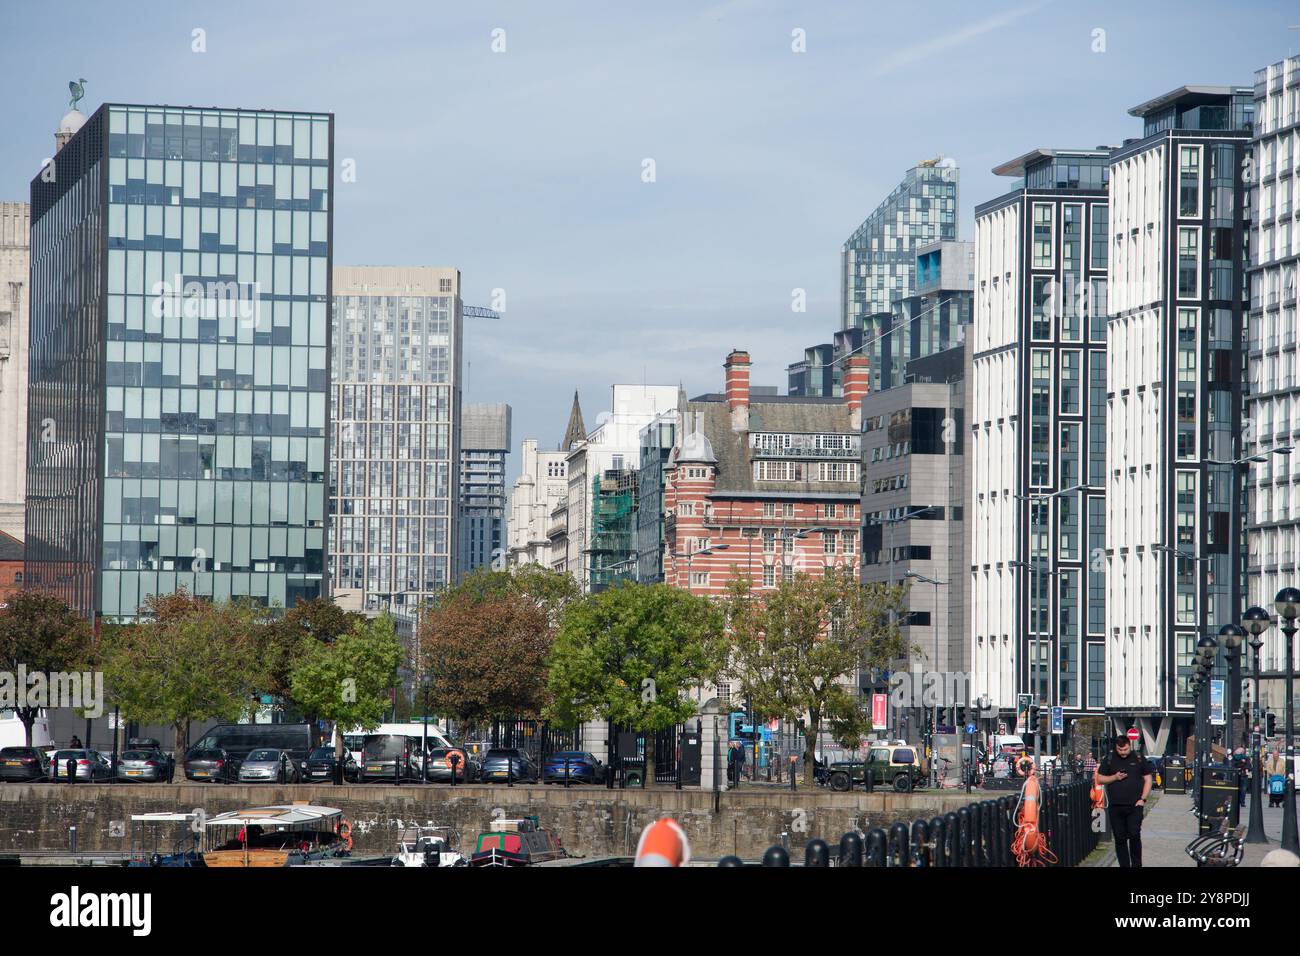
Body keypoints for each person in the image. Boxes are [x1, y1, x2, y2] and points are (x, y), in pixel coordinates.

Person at [1096, 735, 1154, 868]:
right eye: (1120, 750)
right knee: (1120, 838)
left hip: (1135, 805)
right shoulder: (1109, 759)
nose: (1122, 752)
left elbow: (1148, 779)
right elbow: (1100, 779)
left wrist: (1142, 799)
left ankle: (1136, 864)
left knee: (1134, 835)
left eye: (1125, 749)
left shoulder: (1138, 758)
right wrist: (1115, 777)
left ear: (1129, 746)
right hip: (1116, 806)